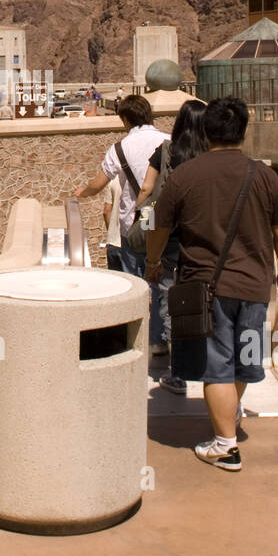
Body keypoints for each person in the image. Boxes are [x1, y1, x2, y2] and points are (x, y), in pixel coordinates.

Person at [146, 96, 278, 472]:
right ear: (242, 131)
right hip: (254, 288)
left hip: (206, 288)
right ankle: (231, 418)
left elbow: (159, 227)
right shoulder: (263, 175)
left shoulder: (186, 175)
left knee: (217, 367)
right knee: (242, 365)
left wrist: (151, 262)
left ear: (206, 131)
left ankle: (226, 446)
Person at [74, 96, 169, 346]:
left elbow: (99, 183)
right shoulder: (168, 141)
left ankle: (133, 339)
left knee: (133, 284)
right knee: (161, 284)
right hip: (164, 224)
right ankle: (158, 341)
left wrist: (82, 193)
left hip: (134, 226)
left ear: (126, 119)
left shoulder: (120, 148)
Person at [133, 98, 207, 388]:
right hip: (200, 240)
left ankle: (178, 374)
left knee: (168, 302)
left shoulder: (165, 151)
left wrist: (138, 213)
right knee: (201, 301)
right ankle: (205, 361)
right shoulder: (209, 156)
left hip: (167, 240)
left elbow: (147, 188)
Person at [102, 175, 123, 271]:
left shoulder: (115, 179)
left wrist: (111, 233)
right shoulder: (145, 180)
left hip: (113, 243)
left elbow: (106, 211)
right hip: (133, 245)